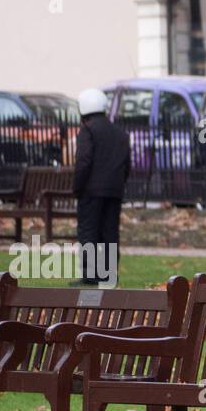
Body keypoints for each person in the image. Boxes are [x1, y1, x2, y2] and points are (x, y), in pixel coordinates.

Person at [73, 88, 130, 286]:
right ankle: (108, 274)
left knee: (88, 232)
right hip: (114, 191)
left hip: (91, 191)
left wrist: (77, 187)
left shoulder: (87, 130)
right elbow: (126, 164)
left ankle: (90, 274)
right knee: (110, 233)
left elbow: (83, 161)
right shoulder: (120, 133)